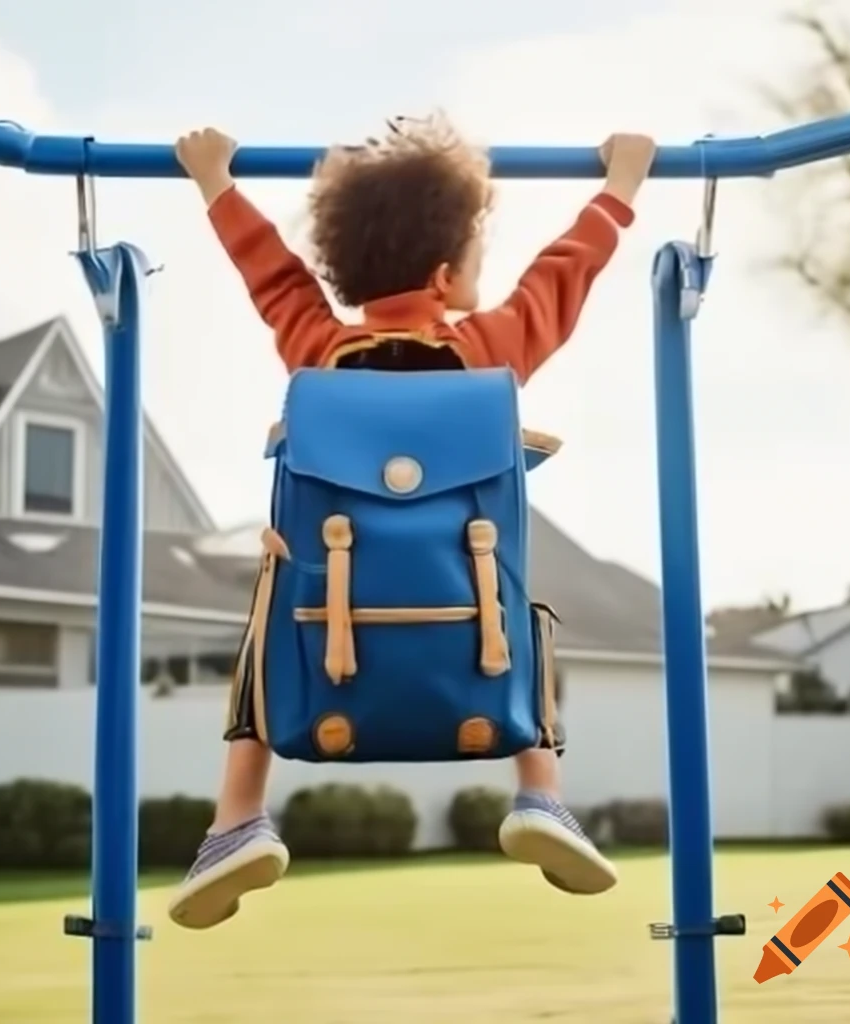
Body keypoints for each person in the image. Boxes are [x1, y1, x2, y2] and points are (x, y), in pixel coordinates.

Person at [169, 114, 656, 930]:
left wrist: (215, 182)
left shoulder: (318, 346)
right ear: (443, 276)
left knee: (266, 619)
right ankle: (540, 794)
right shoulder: (488, 353)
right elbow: (565, 275)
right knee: (521, 606)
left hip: (332, 623)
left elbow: (272, 276)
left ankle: (236, 821)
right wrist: (622, 185)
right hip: (468, 615)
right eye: (474, 257)